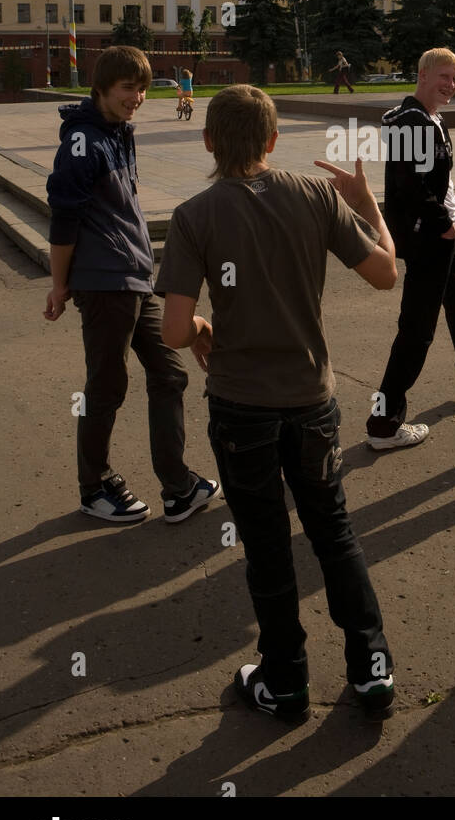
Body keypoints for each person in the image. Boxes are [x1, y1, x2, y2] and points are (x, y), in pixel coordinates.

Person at [156, 85, 397, 722]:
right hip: (312, 402)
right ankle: (372, 667)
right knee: (334, 533)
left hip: (242, 407)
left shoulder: (194, 216)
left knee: (265, 543)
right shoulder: (316, 194)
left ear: (207, 140)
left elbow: (174, 331)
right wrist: (369, 203)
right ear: (272, 141)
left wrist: (207, 327)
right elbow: (385, 273)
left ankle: (285, 678)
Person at [44, 46, 219, 525]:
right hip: (104, 285)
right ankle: (94, 486)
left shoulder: (118, 133)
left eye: (142, 88)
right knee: (106, 386)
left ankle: (177, 487)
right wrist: (59, 285)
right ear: (102, 87)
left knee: (169, 374)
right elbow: (63, 220)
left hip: (135, 279)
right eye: (128, 88)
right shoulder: (82, 142)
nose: (137, 97)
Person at [366, 47, 455, 451]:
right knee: (416, 329)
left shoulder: (427, 119)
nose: (451, 85)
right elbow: (411, 187)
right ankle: (384, 423)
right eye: (444, 77)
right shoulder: (414, 123)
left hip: (437, 231)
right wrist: (443, 225)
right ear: (422, 75)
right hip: (429, 235)